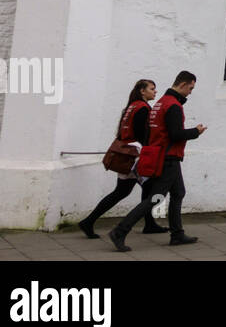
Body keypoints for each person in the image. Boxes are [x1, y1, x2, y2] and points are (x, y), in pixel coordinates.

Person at [109, 70, 206, 250]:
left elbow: (151, 133)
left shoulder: (160, 103)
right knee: (155, 198)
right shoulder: (173, 106)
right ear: (183, 84)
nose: (191, 92)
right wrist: (196, 132)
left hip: (163, 155)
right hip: (168, 157)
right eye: (191, 88)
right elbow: (175, 134)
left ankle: (177, 234)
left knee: (178, 193)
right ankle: (120, 231)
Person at [79, 79, 166, 238]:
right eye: (152, 89)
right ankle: (145, 224)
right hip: (135, 155)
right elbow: (142, 135)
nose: (155, 91)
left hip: (126, 154)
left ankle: (89, 221)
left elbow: (122, 132)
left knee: (124, 191)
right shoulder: (143, 108)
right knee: (149, 189)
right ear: (142, 91)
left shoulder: (131, 107)